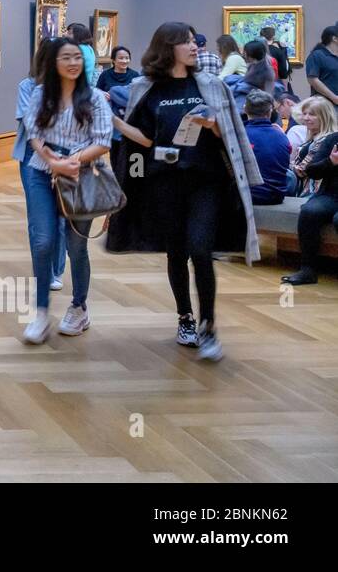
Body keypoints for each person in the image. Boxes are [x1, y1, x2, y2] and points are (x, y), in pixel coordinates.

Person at [112, 22, 262, 363]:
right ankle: (185, 319)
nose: (194, 47)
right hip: (163, 182)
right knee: (176, 252)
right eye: (186, 42)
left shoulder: (211, 85)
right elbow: (145, 140)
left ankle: (209, 326)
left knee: (201, 248)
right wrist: (117, 125)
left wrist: (213, 125)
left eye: (194, 42)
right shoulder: (144, 87)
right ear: (167, 47)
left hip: (205, 182)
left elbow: (234, 136)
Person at [20, 36, 114, 342]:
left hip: (81, 175)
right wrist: (51, 160)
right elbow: (32, 132)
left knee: (76, 246)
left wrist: (70, 162)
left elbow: (102, 140)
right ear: (53, 63)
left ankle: (79, 307)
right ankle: (41, 313)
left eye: (77, 57)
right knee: (43, 241)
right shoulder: (39, 94)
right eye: (66, 58)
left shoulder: (96, 98)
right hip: (40, 171)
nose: (73, 63)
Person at [14, 40, 67, 292]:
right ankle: (43, 272)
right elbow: (30, 121)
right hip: (32, 154)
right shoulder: (28, 86)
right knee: (38, 217)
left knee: (62, 214)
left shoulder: (73, 87)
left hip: (66, 154)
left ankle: (56, 270)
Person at [281, 133, 338, 286]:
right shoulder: (333, 139)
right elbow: (312, 171)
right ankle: (308, 270)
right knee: (309, 212)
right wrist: (331, 161)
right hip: (331, 195)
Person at [243, 89, 295, 205]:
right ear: (271, 111)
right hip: (278, 195)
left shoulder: (241, 136)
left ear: (244, 109)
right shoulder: (282, 136)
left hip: (249, 196)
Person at [287, 97, 338, 198]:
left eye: (311, 114)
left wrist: (286, 165)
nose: (306, 118)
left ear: (324, 117)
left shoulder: (325, 140)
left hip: (313, 194)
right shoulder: (313, 138)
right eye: (305, 113)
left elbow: (303, 170)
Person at [305, 25, 338, 107]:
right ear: (334, 39)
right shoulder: (317, 55)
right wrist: (334, 97)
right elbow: (312, 79)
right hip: (324, 106)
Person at [261, 25, 292, 90]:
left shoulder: (256, 49)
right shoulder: (278, 49)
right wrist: (285, 90)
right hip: (275, 83)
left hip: (258, 83)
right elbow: (284, 70)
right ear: (273, 36)